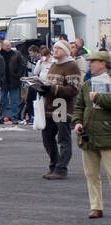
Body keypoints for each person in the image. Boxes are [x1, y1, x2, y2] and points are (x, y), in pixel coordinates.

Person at [72, 49, 111, 218]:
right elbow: (79, 106)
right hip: (88, 134)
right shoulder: (87, 84)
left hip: (107, 133)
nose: (90, 64)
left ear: (103, 64)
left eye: (93, 62)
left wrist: (99, 98)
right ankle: (96, 206)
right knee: (91, 174)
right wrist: (77, 122)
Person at [37, 40, 81, 180]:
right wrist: (43, 89)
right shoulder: (53, 65)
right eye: (54, 48)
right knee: (47, 138)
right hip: (49, 106)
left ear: (66, 51)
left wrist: (53, 89)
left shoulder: (72, 66)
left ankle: (61, 168)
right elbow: (50, 84)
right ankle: (54, 164)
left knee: (63, 139)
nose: (54, 50)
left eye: (58, 49)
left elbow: (73, 90)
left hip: (62, 106)